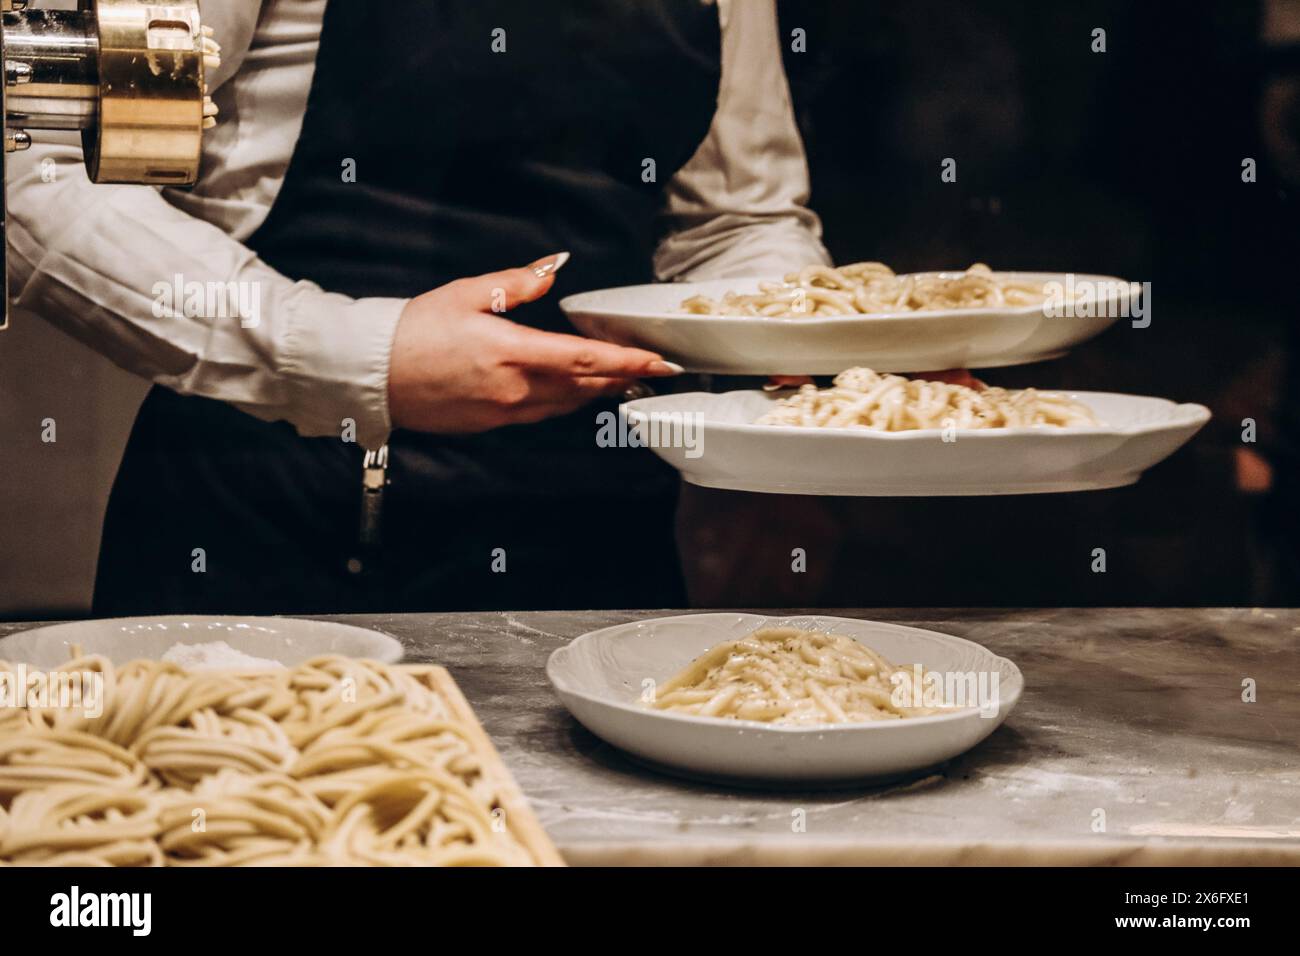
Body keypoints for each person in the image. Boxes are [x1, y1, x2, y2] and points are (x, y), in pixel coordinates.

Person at [8, 0, 829, 614]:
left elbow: (736, 221)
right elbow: (28, 159)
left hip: (604, 530)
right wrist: (346, 353)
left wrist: (829, 341)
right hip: (271, 522)